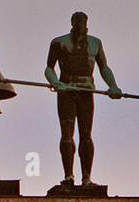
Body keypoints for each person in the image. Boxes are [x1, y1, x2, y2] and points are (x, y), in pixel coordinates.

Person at [44, 11, 121, 188]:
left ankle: (86, 178)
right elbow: (49, 68)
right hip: (67, 91)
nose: (80, 26)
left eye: (83, 23)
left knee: (86, 135)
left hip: (86, 91)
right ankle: (69, 176)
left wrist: (114, 86)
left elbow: (104, 68)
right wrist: (55, 82)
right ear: (72, 24)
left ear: (86, 24)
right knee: (67, 134)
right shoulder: (59, 42)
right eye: (77, 23)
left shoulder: (95, 43)